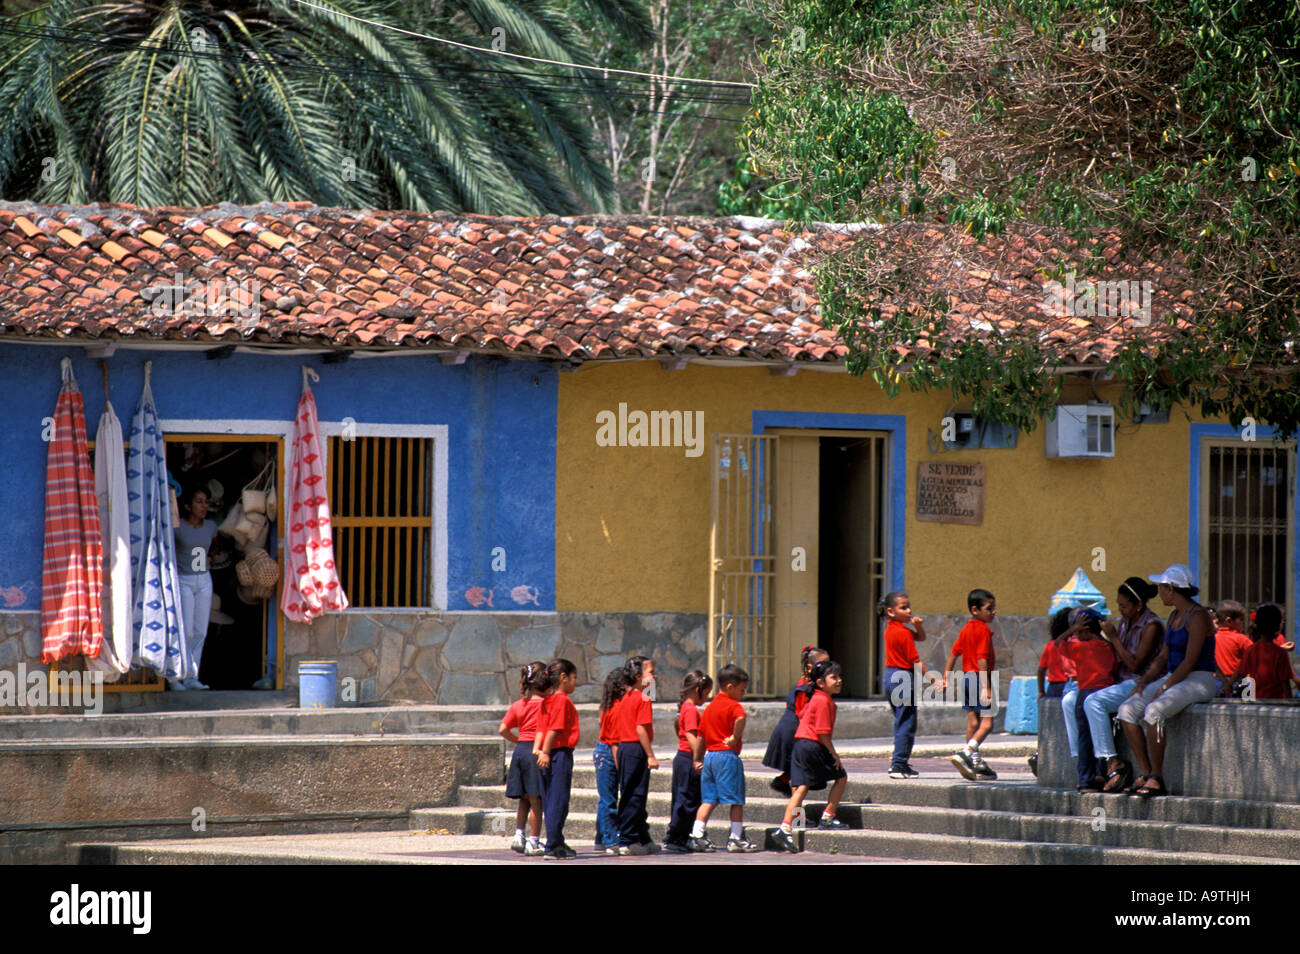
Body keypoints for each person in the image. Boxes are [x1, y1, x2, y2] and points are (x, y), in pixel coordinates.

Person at [1116, 564, 1218, 798]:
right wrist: (1145, 682)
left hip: (1198, 679)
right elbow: (1163, 656)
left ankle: (1157, 775)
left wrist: (1164, 686)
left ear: (1171, 589)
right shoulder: (1174, 616)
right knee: (1127, 710)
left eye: (1161, 587)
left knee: (1153, 712)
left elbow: (1190, 661)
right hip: (1175, 677)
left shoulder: (1198, 616)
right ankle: (1144, 771)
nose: (1159, 592)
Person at [1084, 578, 1165, 793]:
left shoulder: (1152, 625)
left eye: (1124, 606)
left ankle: (1113, 762)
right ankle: (1086, 768)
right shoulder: (1125, 622)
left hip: (1140, 681)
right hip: (1121, 679)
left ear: (1139, 605)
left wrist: (1114, 638)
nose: (1121, 610)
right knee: (1071, 700)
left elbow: (1136, 664)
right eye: (1119, 605)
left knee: (1094, 702)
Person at [773, 659, 850, 852]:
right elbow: (822, 732)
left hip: (800, 744)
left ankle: (788, 826)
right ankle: (828, 817)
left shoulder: (813, 697)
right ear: (821, 683)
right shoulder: (824, 701)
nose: (839, 680)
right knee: (841, 777)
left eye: (839, 676)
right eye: (834, 677)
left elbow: (802, 716)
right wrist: (834, 754)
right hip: (812, 745)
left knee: (799, 788)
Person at [690, 664, 761, 853]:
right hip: (727, 757)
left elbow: (700, 736)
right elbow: (740, 718)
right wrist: (735, 737)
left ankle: (697, 835)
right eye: (742, 689)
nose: (743, 694)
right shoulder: (734, 706)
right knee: (736, 800)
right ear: (730, 687)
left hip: (710, 757)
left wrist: (697, 759)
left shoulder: (710, 708)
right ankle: (736, 838)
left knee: (708, 799)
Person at [1058, 608, 1117, 791]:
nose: (1076, 635)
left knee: (1084, 738)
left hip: (1085, 695)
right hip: (1104, 693)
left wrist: (1070, 630)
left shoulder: (1079, 648)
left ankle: (1085, 779)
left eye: (1078, 632)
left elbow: (1058, 644)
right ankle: (1102, 773)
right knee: (1101, 735)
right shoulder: (1109, 647)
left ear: (1085, 630)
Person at [946, 588, 998, 780]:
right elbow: (982, 659)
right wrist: (986, 687)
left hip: (966, 678)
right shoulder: (983, 630)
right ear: (975, 610)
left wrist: (946, 677)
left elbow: (953, 653)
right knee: (987, 723)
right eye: (989, 608)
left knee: (973, 720)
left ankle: (974, 762)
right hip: (979, 677)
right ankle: (967, 752)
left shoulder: (966, 629)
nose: (993, 612)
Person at [762, 645, 828, 794]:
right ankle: (798, 816)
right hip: (794, 732)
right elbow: (802, 714)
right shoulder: (805, 689)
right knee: (800, 784)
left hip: (793, 730)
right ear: (810, 667)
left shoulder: (805, 684)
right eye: (823, 665)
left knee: (798, 776)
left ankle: (783, 785)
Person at [880, 592, 931, 779]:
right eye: (903, 607)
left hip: (890, 676)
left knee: (902, 722)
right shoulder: (902, 632)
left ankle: (900, 762)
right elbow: (915, 660)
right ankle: (898, 764)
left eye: (909, 606)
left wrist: (918, 626)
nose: (909, 610)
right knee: (907, 723)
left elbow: (921, 637)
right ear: (891, 612)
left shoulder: (893, 629)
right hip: (902, 678)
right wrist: (932, 678)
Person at [499, 661, 547, 855]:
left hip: (520, 750)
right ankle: (534, 841)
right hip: (536, 751)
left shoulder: (518, 705)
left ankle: (519, 835)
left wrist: (517, 739)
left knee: (524, 798)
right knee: (537, 800)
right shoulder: (546, 705)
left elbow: (503, 729)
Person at [172, 486, 218, 690]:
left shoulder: (210, 526)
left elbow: (216, 544)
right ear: (188, 505)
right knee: (186, 630)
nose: (204, 506)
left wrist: (211, 557)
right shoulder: (178, 527)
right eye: (199, 501)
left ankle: (192, 677)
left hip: (204, 579)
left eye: (206, 502)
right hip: (185, 580)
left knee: (200, 630)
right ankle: (175, 677)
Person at [535, 658, 579, 860]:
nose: (574, 682)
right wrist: (545, 751)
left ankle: (557, 842)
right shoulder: (562, 700)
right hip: (558, 753)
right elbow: (553, 728)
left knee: (552, 799)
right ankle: (552, 845)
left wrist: (539, 749)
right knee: (558, 801)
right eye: (573, 678)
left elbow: (541, 729)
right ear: (563, 677)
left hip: (547, 753)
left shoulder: (547, 700)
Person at [614, 656, 659, 855]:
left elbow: (651, 697)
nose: (654, 675)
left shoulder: (629, 695)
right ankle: (628, 840)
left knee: (632, 794)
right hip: (635, 748)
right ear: (637, 675)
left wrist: (649, 682)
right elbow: (641, 728)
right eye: (650, 671)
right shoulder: (642, 698)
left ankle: (642, 838)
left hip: (625, 748)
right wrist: (650, 754)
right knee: (635, 795)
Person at [663, 669, 711, 853]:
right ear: (697, 690)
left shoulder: (685, 707)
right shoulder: (690, 710)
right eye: (706, 693)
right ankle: (677, 837)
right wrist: (698, 759)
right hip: (687, 758)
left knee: (686, 798)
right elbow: (692, 738)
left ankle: (680, 835)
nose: (706, 697)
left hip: (684, 758)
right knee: (687, 800)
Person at [1226, 603, 1300, 699]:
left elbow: (1239, 672)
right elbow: (1285, 682)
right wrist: (1289, 701)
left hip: (1255, 700)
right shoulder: (1279, 653)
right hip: (1275, 701)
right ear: (1278, 626)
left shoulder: (1251, 650)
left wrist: (1229, 685)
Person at [594, 667, 631, 855]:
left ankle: (601, 838)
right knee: (609, 799)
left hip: (601, 749)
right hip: (610, 752)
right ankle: (610, 840)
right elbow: (615, 743)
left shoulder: (608, 704)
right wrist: (621, 766)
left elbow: (601, 723)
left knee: (605, 798)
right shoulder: (618, 708)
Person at [1212, 600, 1252, 696]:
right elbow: (1257, 653)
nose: (1243, 623)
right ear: (1229, 621)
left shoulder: (1212, 639)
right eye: (1241, 620)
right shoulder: (1241, 639)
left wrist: (1224, 682)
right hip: (1238, 682)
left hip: (1217, 681)